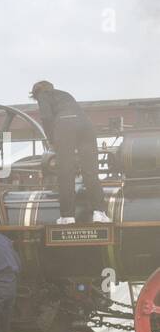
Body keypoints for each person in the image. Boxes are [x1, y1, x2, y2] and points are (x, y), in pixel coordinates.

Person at [30, 80, 109, 225]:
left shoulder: (42, 95)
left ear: (36, 93)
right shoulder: (65, 94)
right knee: (91, 171)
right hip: (86, 126)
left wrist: (51, 139)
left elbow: (46, 118)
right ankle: (99, 212)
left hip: (65, 126)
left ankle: (67, 216)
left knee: (66, 172)